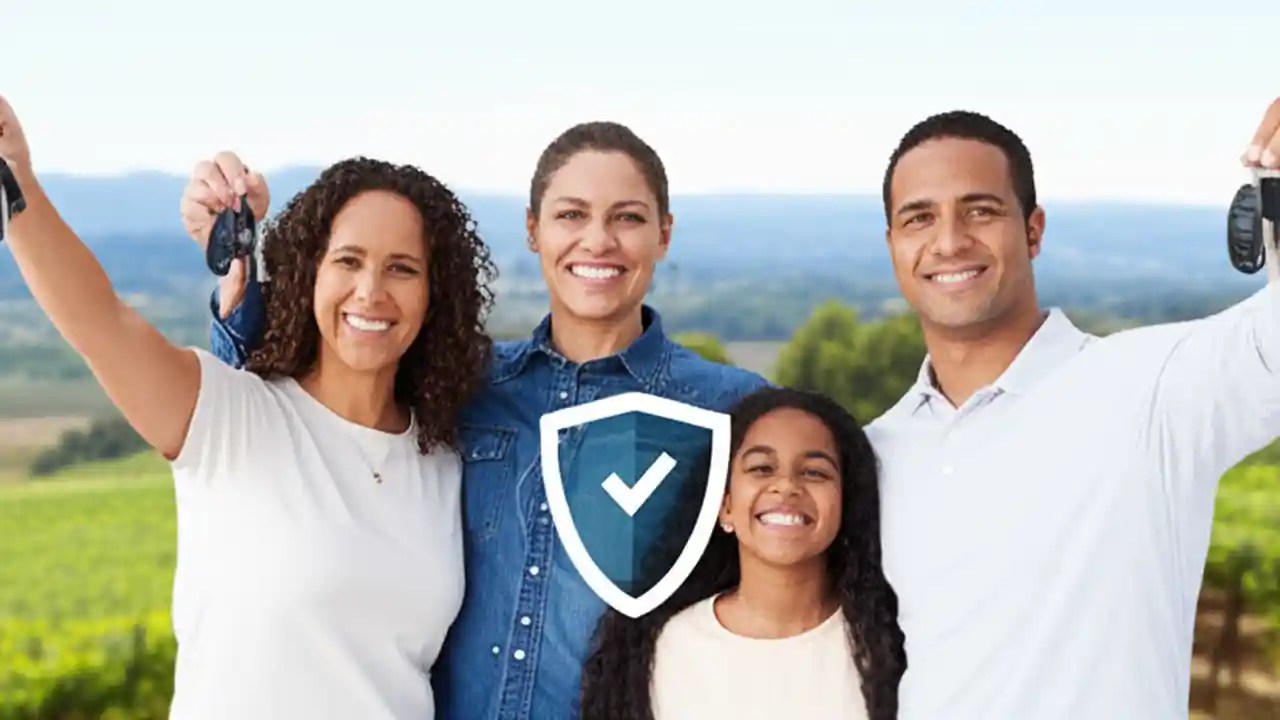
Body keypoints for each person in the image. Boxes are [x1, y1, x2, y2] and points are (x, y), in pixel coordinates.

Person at [190, 121, 771, 718]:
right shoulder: (465, 387)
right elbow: (303, 394)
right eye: (571, 215)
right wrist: (238, 262)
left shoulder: (732, 412)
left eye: (627, 217)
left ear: (664, 234)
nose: (598, 241)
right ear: (532, 230)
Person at [0, 93, 498, 719]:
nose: (371, 292)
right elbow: (100, 319)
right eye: (348, 261)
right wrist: (16, 180)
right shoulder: (231, 419)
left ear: (435, 295)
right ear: (306, 274)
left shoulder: (446, 458)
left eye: (402, 268)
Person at [865, 98, 1280, 719]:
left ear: (1033, 231)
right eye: (919, 218)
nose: (949, 241)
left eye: (980, 210)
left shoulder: (1153, 392)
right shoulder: (868, 455)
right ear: (894, 244)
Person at [578, 386, 907, 720]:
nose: (786, 486)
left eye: (814, 472)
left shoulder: (888, 646)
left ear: (845, 502)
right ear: (725, 506)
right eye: (762, 468)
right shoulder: (668, 647)